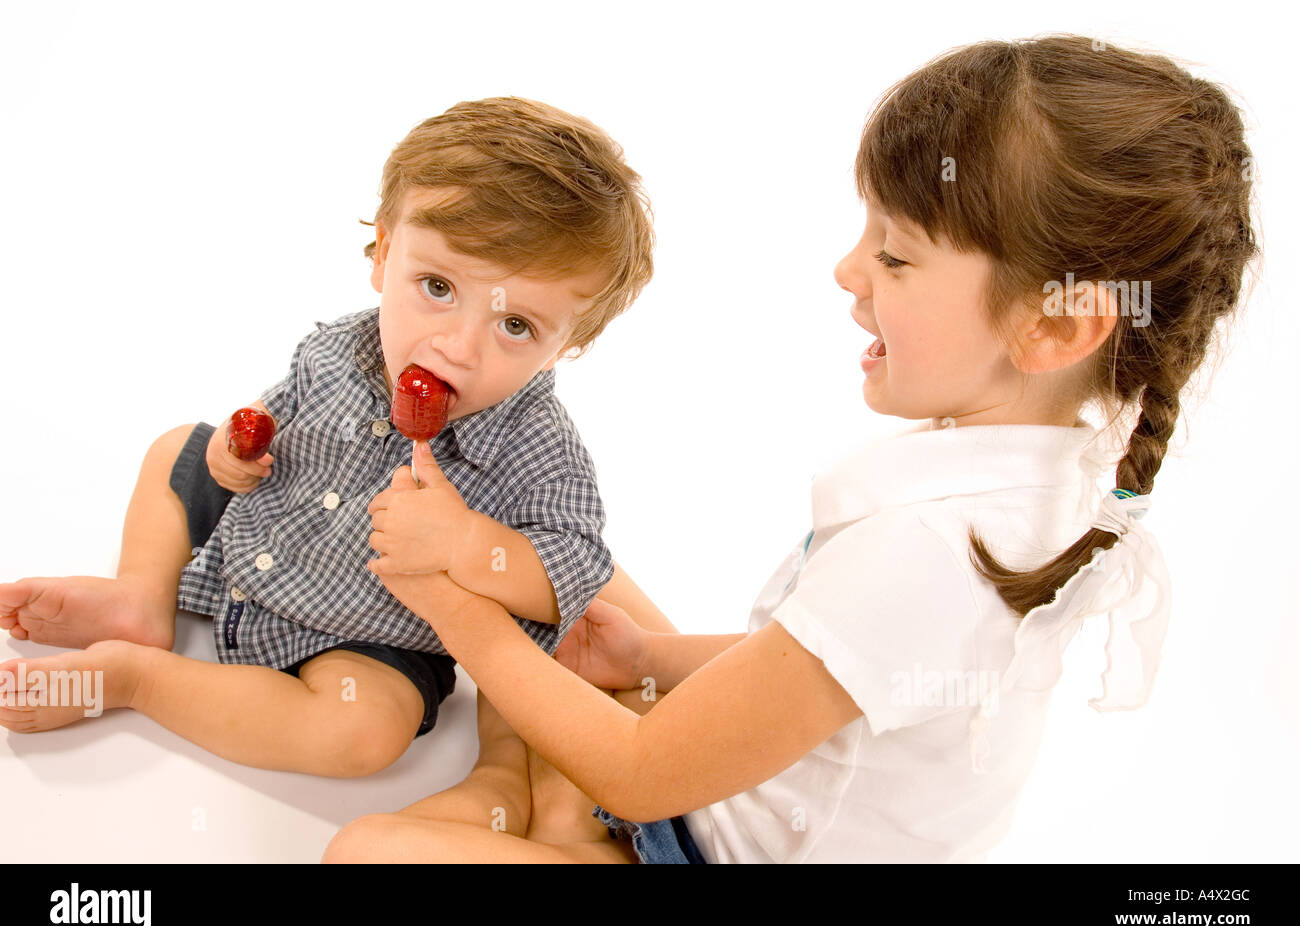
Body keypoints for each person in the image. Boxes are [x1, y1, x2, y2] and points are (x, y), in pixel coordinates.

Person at [323, 34, 1259, 862]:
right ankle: (550, 803)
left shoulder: (929, 552)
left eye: (895, 256)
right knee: (577, 584)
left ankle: (557, 817)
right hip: (733, 788)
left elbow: (648, 774)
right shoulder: (1031, 473)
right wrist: (651, 656)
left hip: (702, 832)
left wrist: (449, 602)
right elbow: (832, 667)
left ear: (1054, 331)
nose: (849, 271)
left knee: (368, 853)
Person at [0, 97, 658, 778]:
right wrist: (238, 451)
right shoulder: (340, 347)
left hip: (367, 637)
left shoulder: (540, 447)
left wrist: (469, 544)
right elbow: (276, 410)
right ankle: (141, 596)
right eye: (436, 286)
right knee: (176, 448)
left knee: (361, 733)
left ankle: (134, 677)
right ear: (380, 254)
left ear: (567, 345)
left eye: (515, 326)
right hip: (256, 540)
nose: (457, 346)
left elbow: (576, 567)